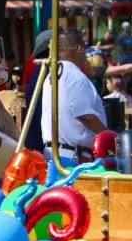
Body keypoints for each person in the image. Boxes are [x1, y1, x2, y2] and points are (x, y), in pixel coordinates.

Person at [41, 29, 107, 164]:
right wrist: (109, 138)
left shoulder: (52, 74)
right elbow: (86, 116)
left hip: (56, 154)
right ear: (79, 49)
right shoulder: (75, 76)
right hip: (73, 158)